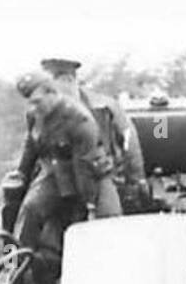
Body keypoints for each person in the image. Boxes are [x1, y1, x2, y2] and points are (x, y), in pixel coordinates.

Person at [11, 74, 120, 276]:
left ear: (52, 93)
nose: (33, 108)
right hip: (56, 171)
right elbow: (31, 145)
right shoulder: (36, 114)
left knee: (107, 226)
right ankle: (14, 267)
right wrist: (21, 173)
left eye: (37, 102)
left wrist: (88, 204)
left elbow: (84, 168)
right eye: (30, 103)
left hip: (93, 174)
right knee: (30, 209)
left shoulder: (80, 119)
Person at [41, 57, 150, 210]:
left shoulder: (105, 107)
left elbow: (129, 142)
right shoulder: (44, 110)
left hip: (100, 174)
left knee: (108, 220)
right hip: (60, 179)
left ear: (71, 80)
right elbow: (35, 147)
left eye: (64, 78)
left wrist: (137, 180)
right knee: (32, 210)